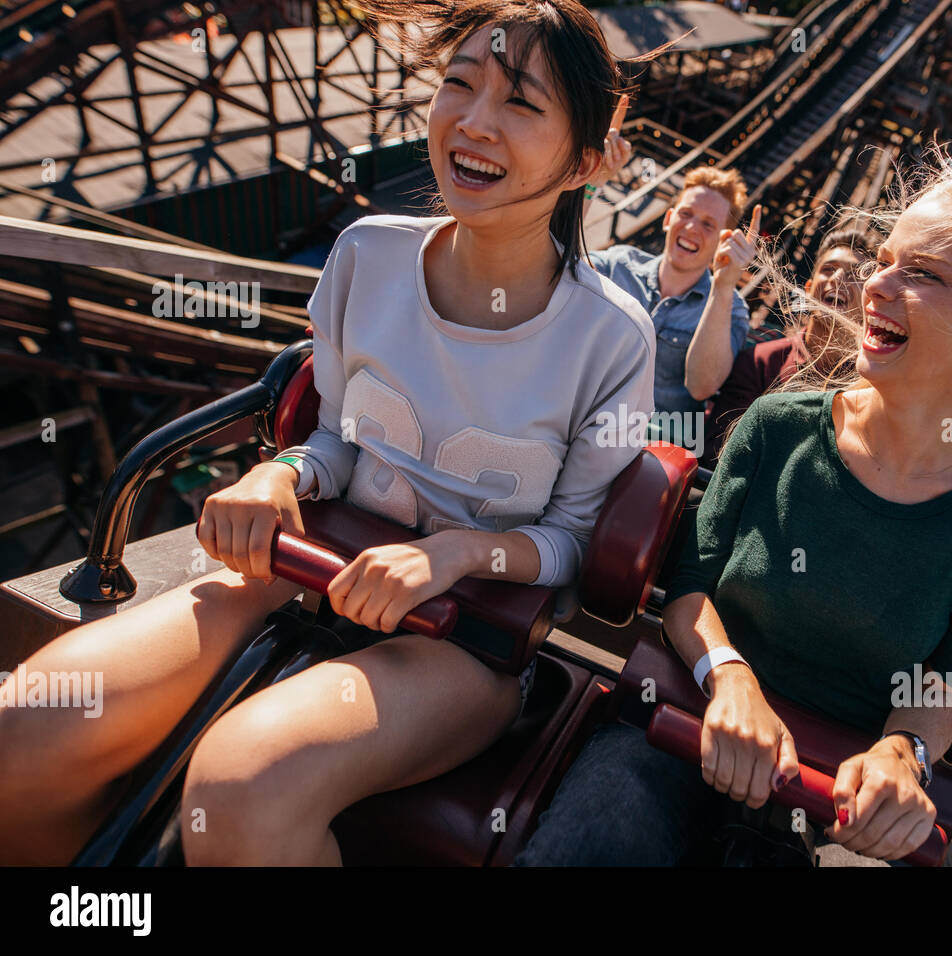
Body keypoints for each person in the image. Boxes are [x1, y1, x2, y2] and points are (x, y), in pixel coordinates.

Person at [0, 0, 655, 866]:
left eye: (521, 104)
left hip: (464, 638)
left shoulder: (609, 337)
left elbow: (571, 545)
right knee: (33, 721)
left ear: (581, 161)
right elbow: (342, 437)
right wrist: (283, 477)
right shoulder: (366, 255)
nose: (473, 120)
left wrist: (456, 555)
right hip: (310, 566)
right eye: (458, 85)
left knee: (243, 787)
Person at [516, 157, 952, 866]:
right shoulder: (777, 426)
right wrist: (734, 681)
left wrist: (904, 756)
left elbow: (951, 677)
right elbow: (689, 590)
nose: (877, 283)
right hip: (692, 715)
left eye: (923, 274)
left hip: (833, 788)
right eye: (886, 259)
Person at [584, 162, 760, 442]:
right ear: (668, 219)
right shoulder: (619, 265)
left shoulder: (730, 307)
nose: (691, 227)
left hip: (652, 444)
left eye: (708, 224)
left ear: (721, 241)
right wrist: (591, 183)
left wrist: (724, 285)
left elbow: (702, 386)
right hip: (581, 415)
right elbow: (557, 272)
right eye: (686, 213)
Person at [700, 227, 878, 468]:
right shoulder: (760, 362)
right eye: (828, 269)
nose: (837, 279)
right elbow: (718, 455)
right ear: (808, 289)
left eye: (855, 274)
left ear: (871, 300)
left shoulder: (874, 385)